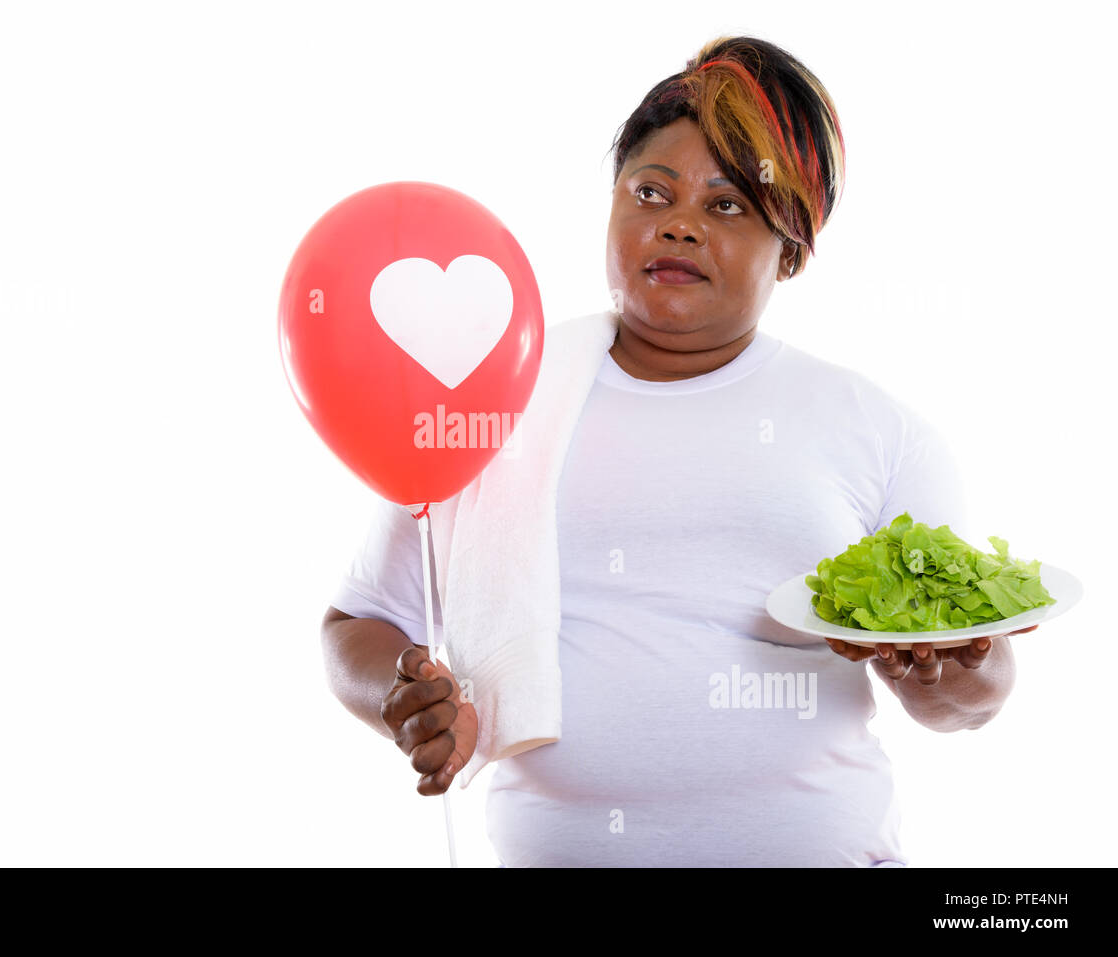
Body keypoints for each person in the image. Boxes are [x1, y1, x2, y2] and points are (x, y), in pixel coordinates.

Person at [319, 35, 1036, 867]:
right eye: (651, 192)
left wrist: (937, 673)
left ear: (792, 247)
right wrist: (404, 690)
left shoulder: (877, 429)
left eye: (727, 205)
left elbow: (978, 698)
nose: (681, 225)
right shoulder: (493, 397)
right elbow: (357, 624)